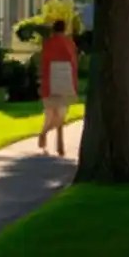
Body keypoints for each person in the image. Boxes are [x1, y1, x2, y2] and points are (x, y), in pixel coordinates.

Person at [38, 20, 78, 157]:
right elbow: (73, 64)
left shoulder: (48, 44)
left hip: (50, 83)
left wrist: (42, 83)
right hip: (64, 82)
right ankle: (59, 145)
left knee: (50, 114)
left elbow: (44, 65)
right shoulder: (69, 44)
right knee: (61, 115)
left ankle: (45, 135)